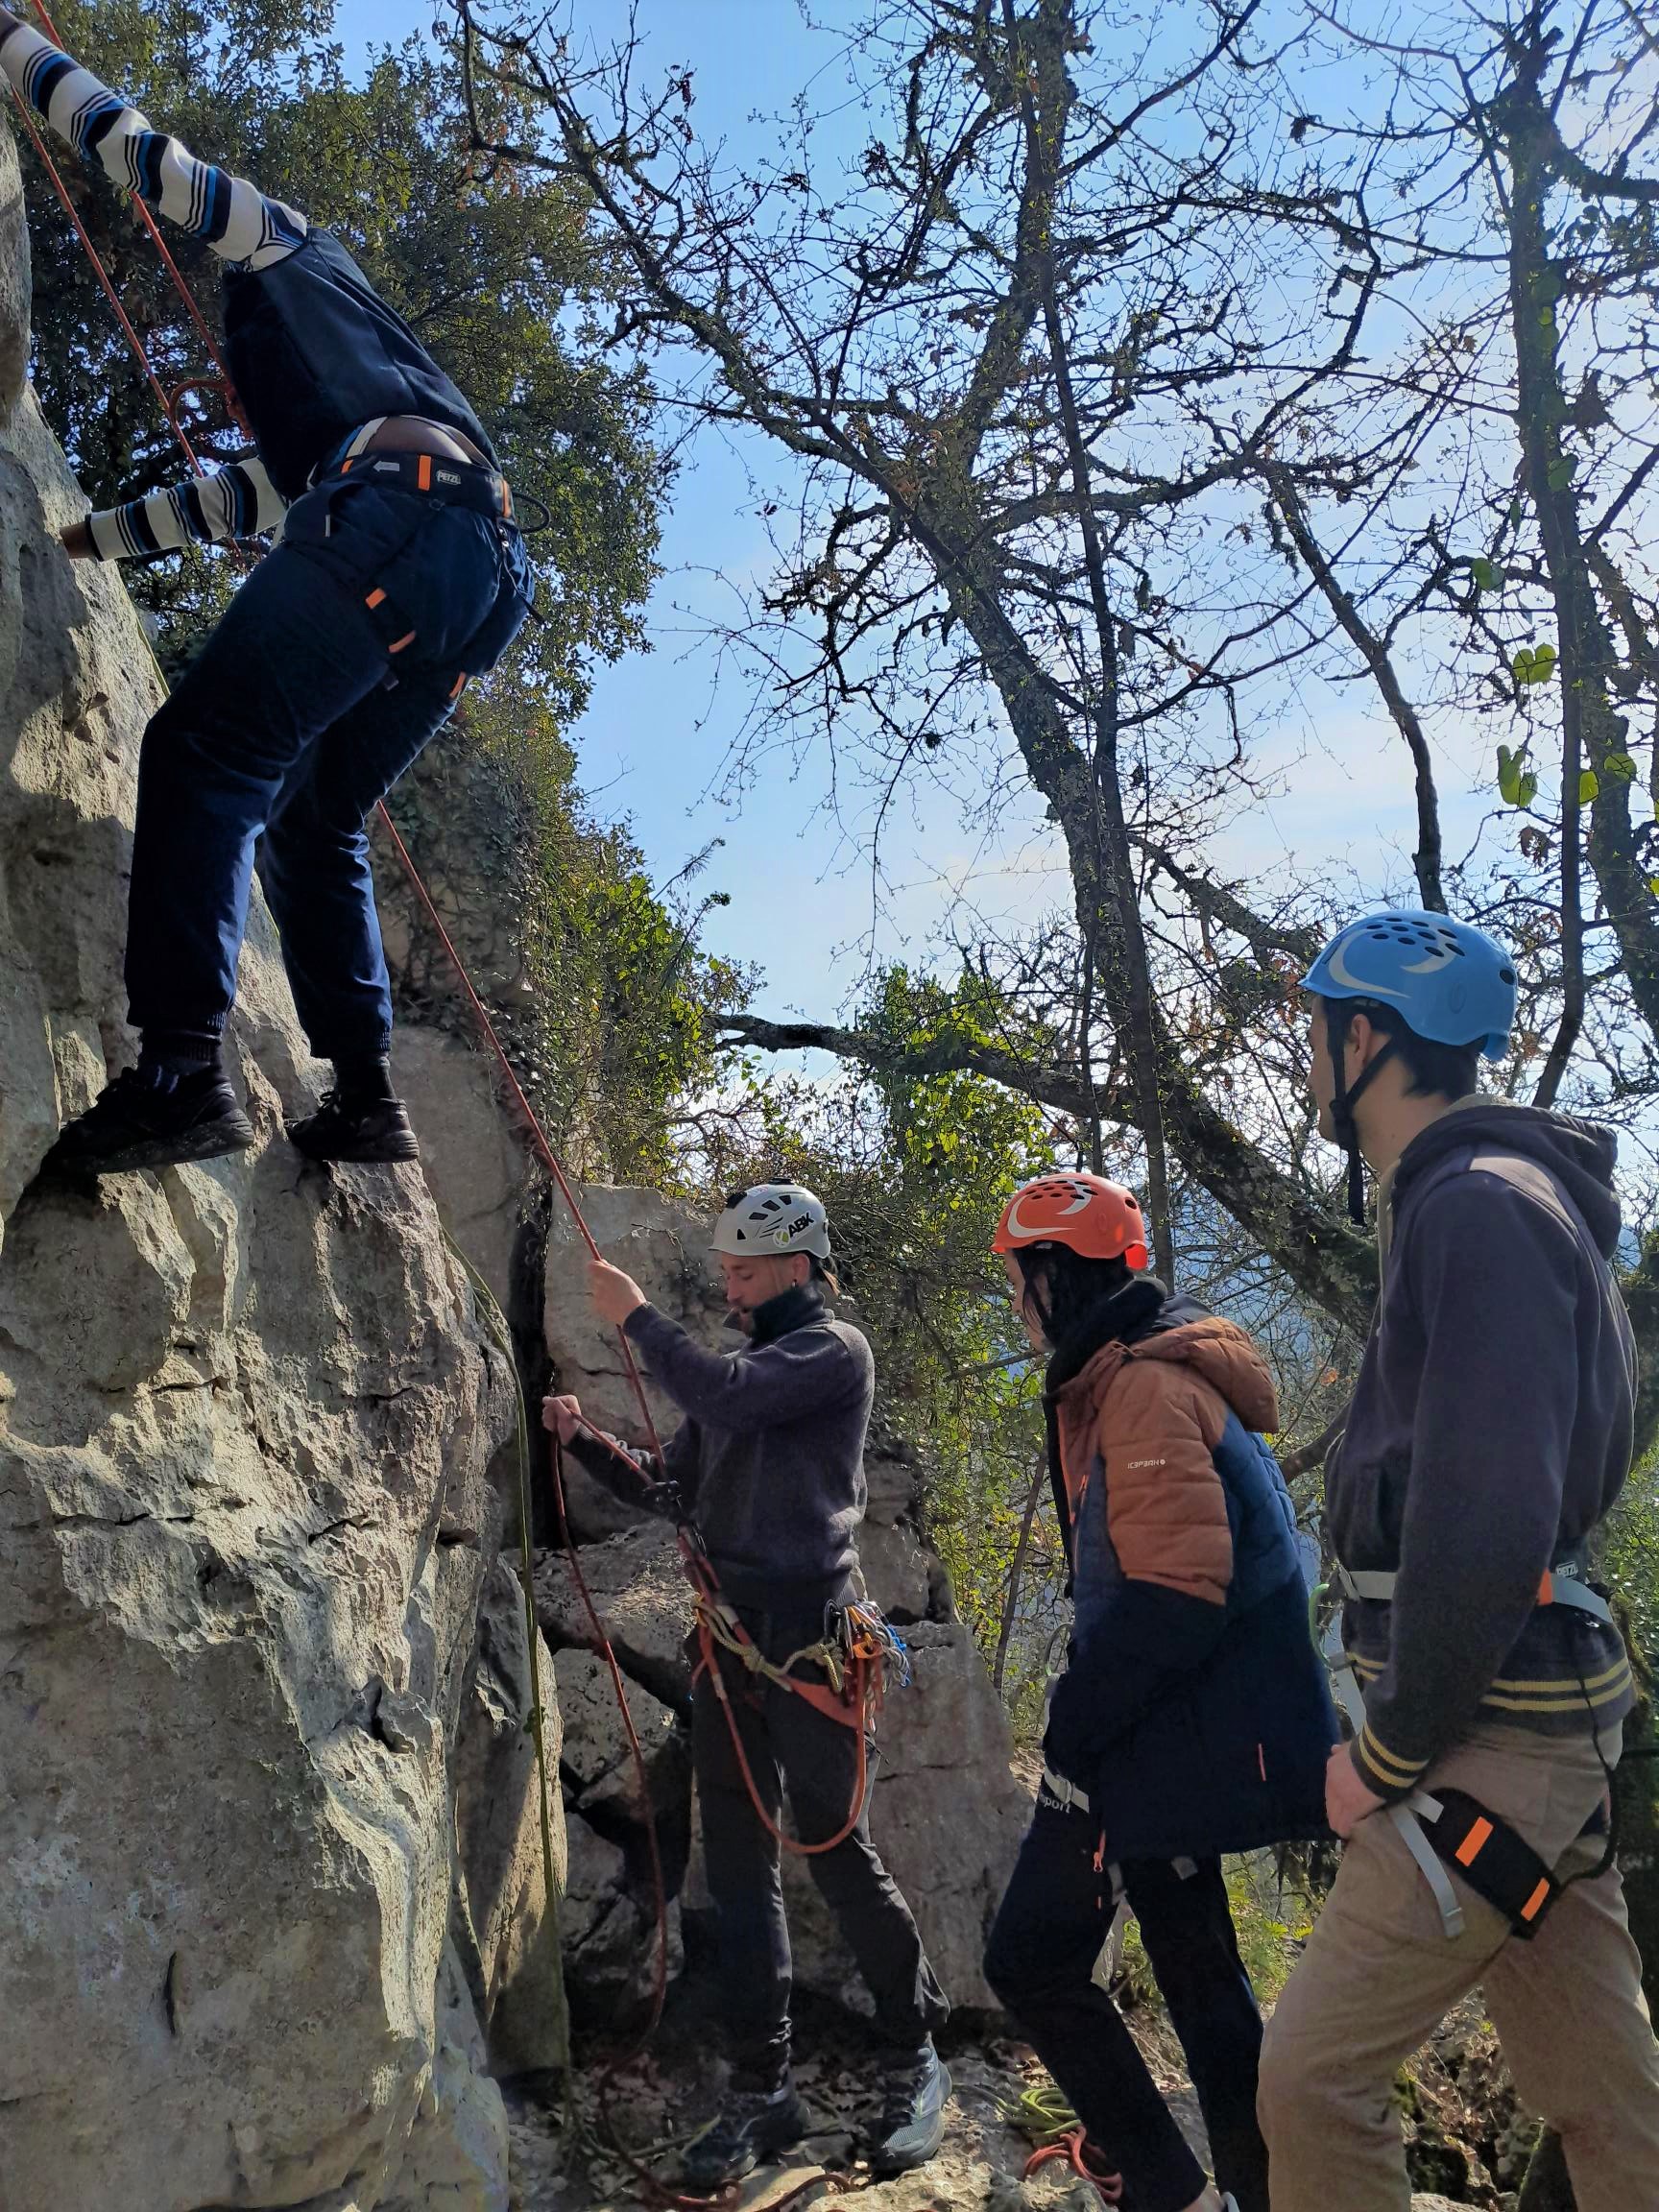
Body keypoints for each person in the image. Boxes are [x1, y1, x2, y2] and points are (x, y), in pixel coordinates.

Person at [0, 10, 534, 1175]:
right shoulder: (333, 414)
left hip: (405, 514)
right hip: (471, 572)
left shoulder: (294, 251)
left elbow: (147, 160)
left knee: (204, 752)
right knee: (313, 812)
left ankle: (181, 1072)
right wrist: (76, 543)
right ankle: (367, 1099)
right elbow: (222, 506)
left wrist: (12, 45)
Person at [1258, 907, 1659, 2211]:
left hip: (1490, 1736)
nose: (1308, 1055)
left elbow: (1484, 1514)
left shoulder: (1476, 1212)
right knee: (1610, 2104)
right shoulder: (1489, 1203)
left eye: (1319, 1027)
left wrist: (1383, 1752)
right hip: (1543, 1729)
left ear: (1367, 1037)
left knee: (1309, 2082)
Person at [541, 1182, 950, 2189]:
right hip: (730, 1643)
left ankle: (914, 2054)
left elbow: (726, 1396)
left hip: (809, 1644)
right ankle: (762, 2089)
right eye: (727, 1267)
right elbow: (673, 1487)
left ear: (802, 1271)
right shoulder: (743, 1373)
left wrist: (634, 1316)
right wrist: (585, 1441)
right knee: (735, 1869)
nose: (732, 1281)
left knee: (838, 1856)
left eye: (749, 1268)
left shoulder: (829, 1355)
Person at [981, 1171, 1336, 2212]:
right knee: (1200, 1974)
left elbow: (1180, 1593)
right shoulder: (1136, 1370)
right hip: (1190, 1727)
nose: (1014, 1300)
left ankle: (1170, 2183)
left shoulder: (1140, 1386)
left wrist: (1074, 1729)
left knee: (1033, 1958)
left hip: (1153, 1732)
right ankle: (1240, 2193)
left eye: (1019, 1278)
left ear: (1058, 1275)